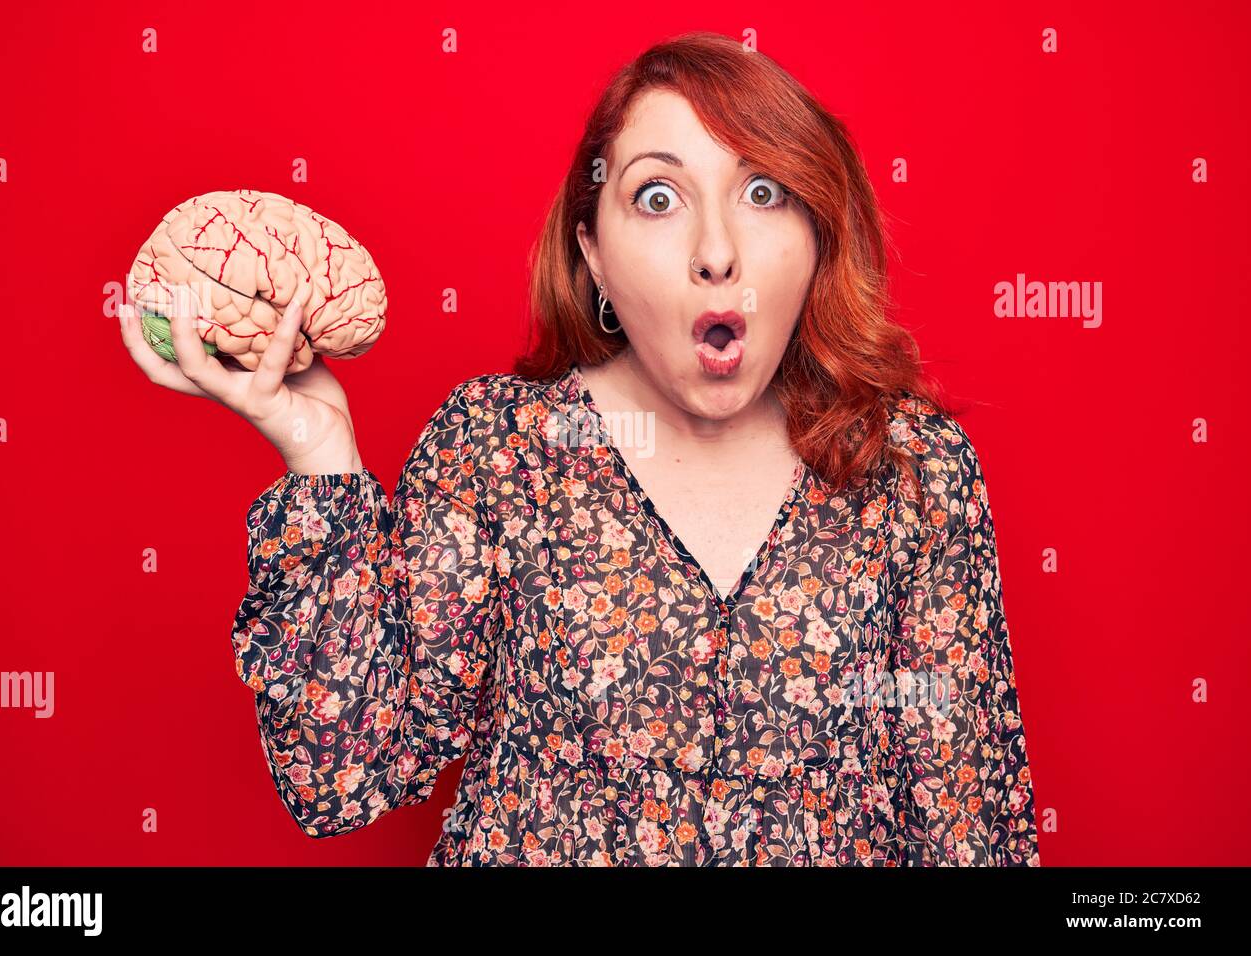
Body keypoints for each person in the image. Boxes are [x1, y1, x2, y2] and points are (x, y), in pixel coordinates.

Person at [120, 31, 1040, 866]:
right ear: (594, 255)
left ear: (816, 231)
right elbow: (341, 775)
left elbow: (976, 834)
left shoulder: (913, 470)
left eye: (762, 192)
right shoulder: (502, 448)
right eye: (657, 196)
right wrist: (319, 453)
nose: (716, 252)